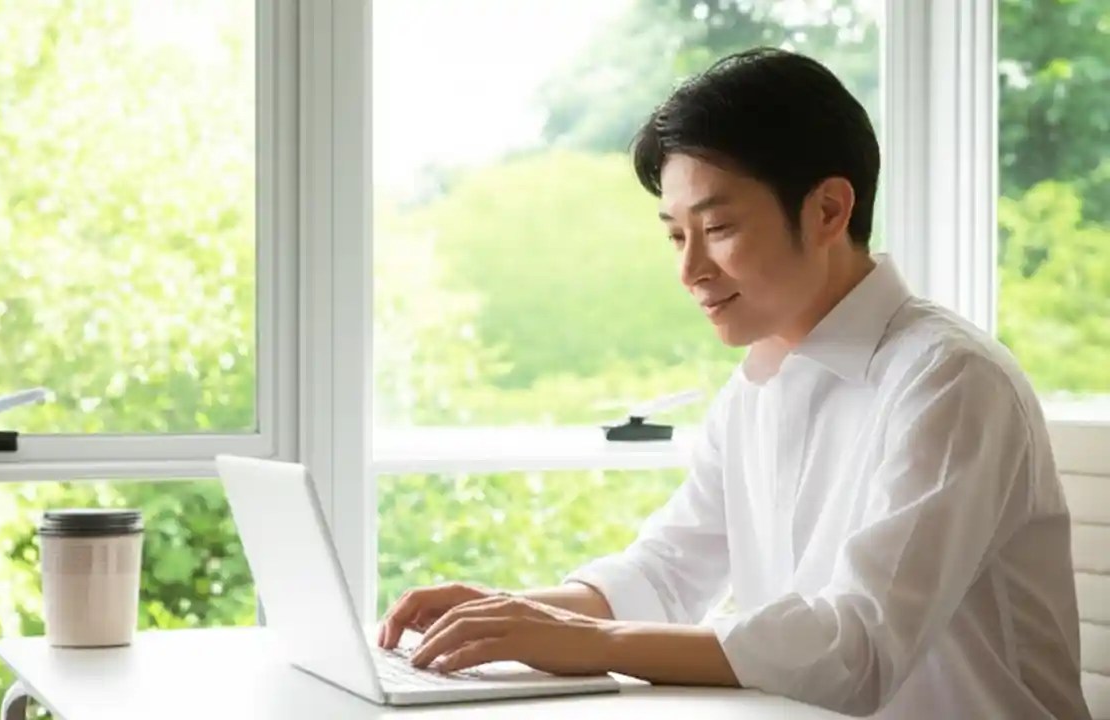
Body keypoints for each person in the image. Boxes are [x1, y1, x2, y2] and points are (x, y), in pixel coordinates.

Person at [376, 48, 1091, 719]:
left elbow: (858, 647)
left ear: (828, 211)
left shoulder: (950, 381)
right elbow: (666, 572)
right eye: (674, 236)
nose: (689, 272)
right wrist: (506, 616)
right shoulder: (758, 385)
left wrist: (585, 643)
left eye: (716, 227)